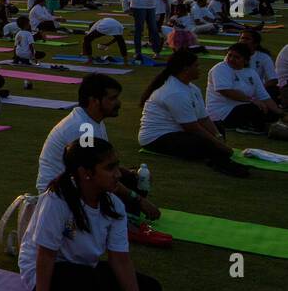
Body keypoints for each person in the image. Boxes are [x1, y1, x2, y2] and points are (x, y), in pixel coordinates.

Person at [17, 139, 174, 291]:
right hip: (50, 270)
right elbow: (45, 255)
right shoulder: (57, 200)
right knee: (83, 285)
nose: (118, 174)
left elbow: (120, 260)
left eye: (117, 166)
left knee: (151, 290)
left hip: (84, 267)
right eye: (110, 168)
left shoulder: (114, 204)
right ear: (85, 173)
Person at [35, 73, 167, 246]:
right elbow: (93, 174)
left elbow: (101, 165)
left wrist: (130, 174)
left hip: (77, 180)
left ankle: (121, 215)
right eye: (112, 98)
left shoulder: (91, 121)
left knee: (130, 178)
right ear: (94, 101)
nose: (118, 103)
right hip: (63, 193)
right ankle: (122, 222)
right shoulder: (84, 128)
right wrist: (139, 200)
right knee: (123, 190)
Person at [138, 48, 248, 177]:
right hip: (157, 138)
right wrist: (220, 145)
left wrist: (218, 137)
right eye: (196, 66)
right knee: (201, 141)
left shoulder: (191, 88)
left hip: (178, 131)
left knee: (217, 127)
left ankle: (217, 154)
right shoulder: (175, 92)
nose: (199, 68)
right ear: (186, 69)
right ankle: (219, 161)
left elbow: (204, 118)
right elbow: (192, 127)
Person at [205, 42, 283, 134]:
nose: (231, 59)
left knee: (272, 112)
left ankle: (259, 124)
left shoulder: (251, 72)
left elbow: (264, 96)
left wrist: (280, 112)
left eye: (236, 57)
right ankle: (249, 126)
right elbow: (225, 91)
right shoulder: (220, 69)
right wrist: (252, 100)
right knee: (255, 108)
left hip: (244, 107)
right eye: (229, 55)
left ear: (246, 60)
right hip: (223, 113)